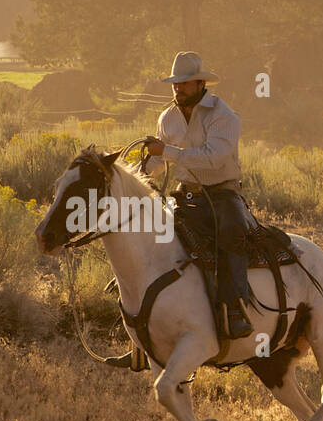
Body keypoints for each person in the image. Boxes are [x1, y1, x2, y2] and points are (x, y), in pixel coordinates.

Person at [106, 51, 254, 369]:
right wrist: (145, 168)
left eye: (184, 83)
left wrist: (168, 152)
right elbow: (161, 163)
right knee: (143, 238)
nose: (178, 89)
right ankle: (140, 341)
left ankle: (235, 308)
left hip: (222, 194)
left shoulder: (224, 115)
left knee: (232, 234)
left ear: (201, 83)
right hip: (186, 196)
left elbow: (213, 157)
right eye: (175, 84)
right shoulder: (167, 118)